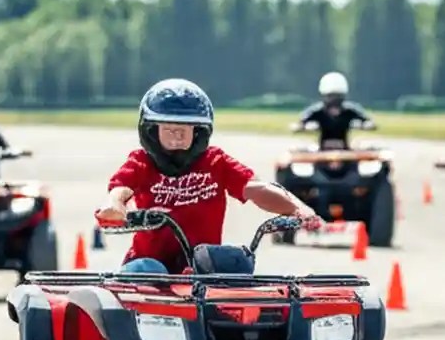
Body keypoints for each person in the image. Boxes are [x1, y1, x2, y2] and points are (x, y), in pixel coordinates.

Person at [100, 78, 322, 275]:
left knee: (234, 270)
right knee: (147, 270)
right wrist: (115, 206)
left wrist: (298, 209)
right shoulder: (142, 162)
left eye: (183, 132)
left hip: (202, 268)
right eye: (169, 131)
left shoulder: (215, 162)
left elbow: (256, 189)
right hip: (150, 266)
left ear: (198, 133)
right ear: (151, 131)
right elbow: (121, 189)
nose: (176, 139)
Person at [290, 71, 376, 149]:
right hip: (321, 151)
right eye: (331, 97)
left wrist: (365, 125)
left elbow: (368, 121)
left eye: (337, 97)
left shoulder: (350, 110)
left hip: (345, 150)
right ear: (324, 96)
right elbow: (299, 123)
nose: (334, 101)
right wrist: (301, 127)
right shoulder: (316, 111)